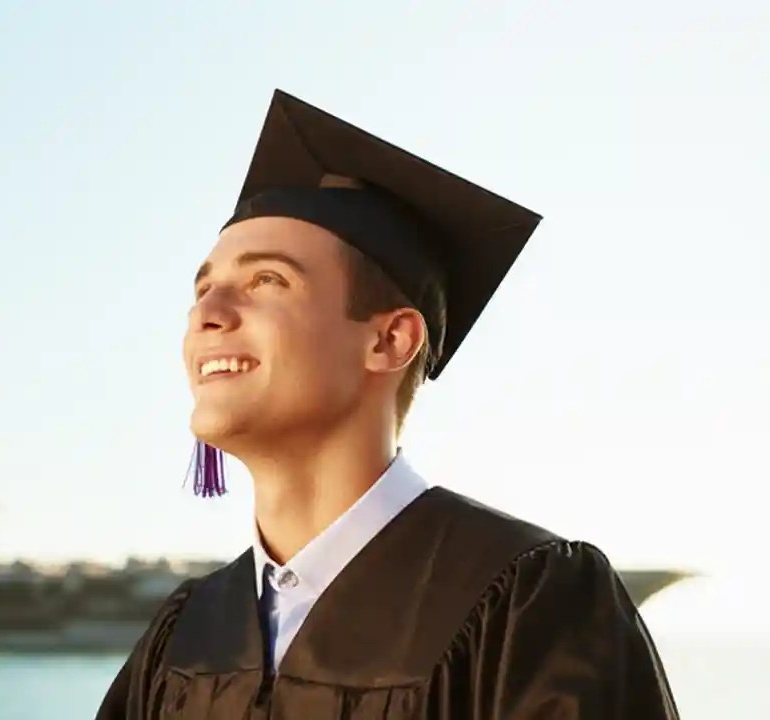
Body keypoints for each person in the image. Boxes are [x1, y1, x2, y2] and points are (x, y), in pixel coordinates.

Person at [95, 90, 679, 718]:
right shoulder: (185, 633)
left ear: (389, 339)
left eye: (267, 280)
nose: (207, 314)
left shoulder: (529, 604)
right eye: (204, 288)